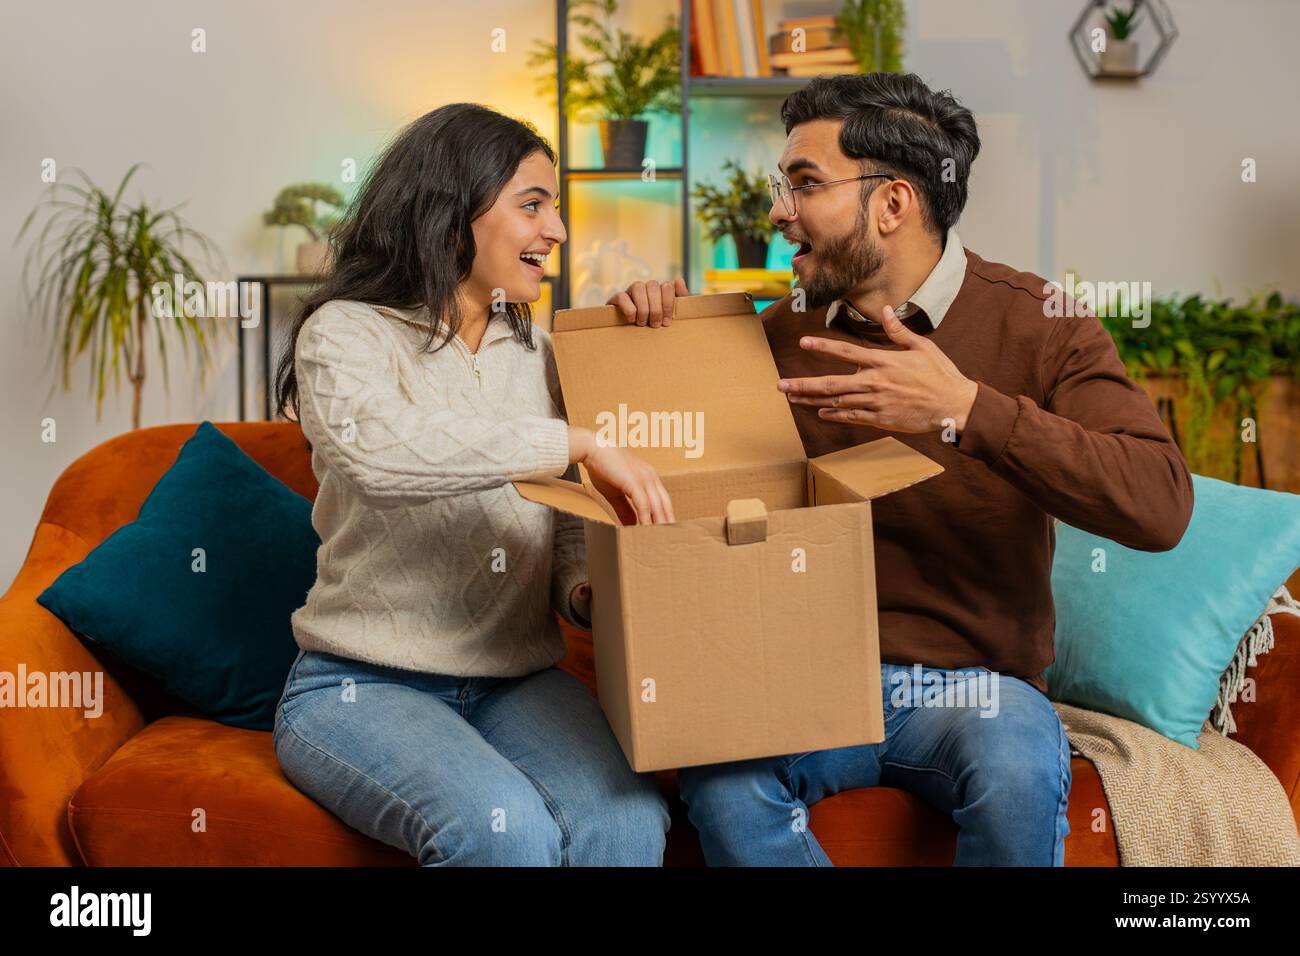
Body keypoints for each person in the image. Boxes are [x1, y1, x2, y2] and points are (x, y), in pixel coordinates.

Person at [607, 72, 1193, 865]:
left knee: (1018, 767)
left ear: (893, 204)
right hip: (798, 684)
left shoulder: (1042, 326)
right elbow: (660, 480)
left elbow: (1159, 504)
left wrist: (967, 408)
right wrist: (648, 333)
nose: (779, 211)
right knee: (721, 779)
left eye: (804, 184)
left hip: (975, 688)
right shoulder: (766, 336)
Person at [271, 103, 675, 866]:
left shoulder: (542, 354)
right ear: (453, 211)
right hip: (360, 684)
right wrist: (577, 440)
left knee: (628, 827)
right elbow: (383, 454)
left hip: (517, 679)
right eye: (532, 205)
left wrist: (583, 590)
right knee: (507, 834)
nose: (556, 230)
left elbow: (559, 519)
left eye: (556, 208)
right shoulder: (346, 333)